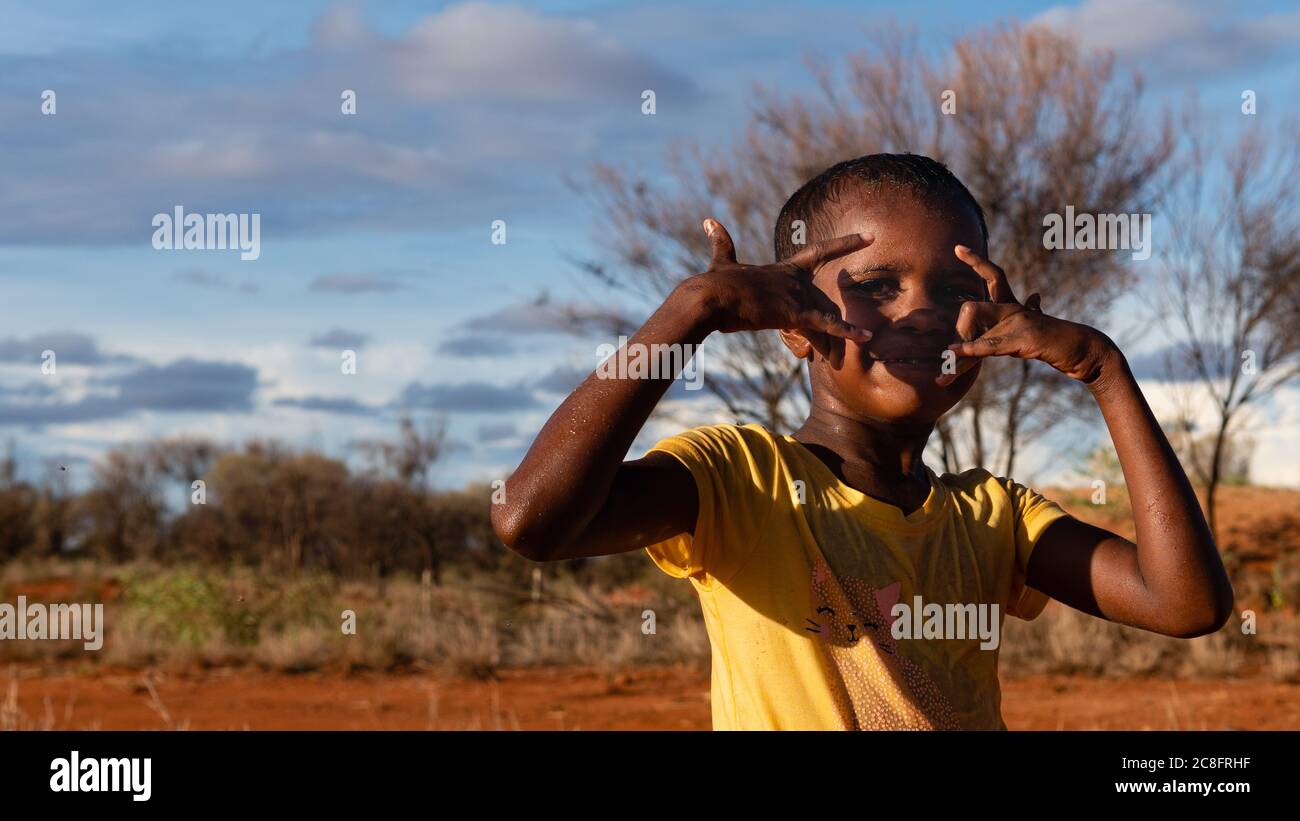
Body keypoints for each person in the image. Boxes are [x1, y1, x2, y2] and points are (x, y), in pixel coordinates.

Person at [492, 153, 1233, 730]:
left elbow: (1185, 603)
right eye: (879, 286)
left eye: (952, 291)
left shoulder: (992, 517)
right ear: (793, 320)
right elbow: (532, 519)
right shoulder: (738, 479)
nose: (921, 314)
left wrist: (1103, 369)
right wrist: (696, 307)